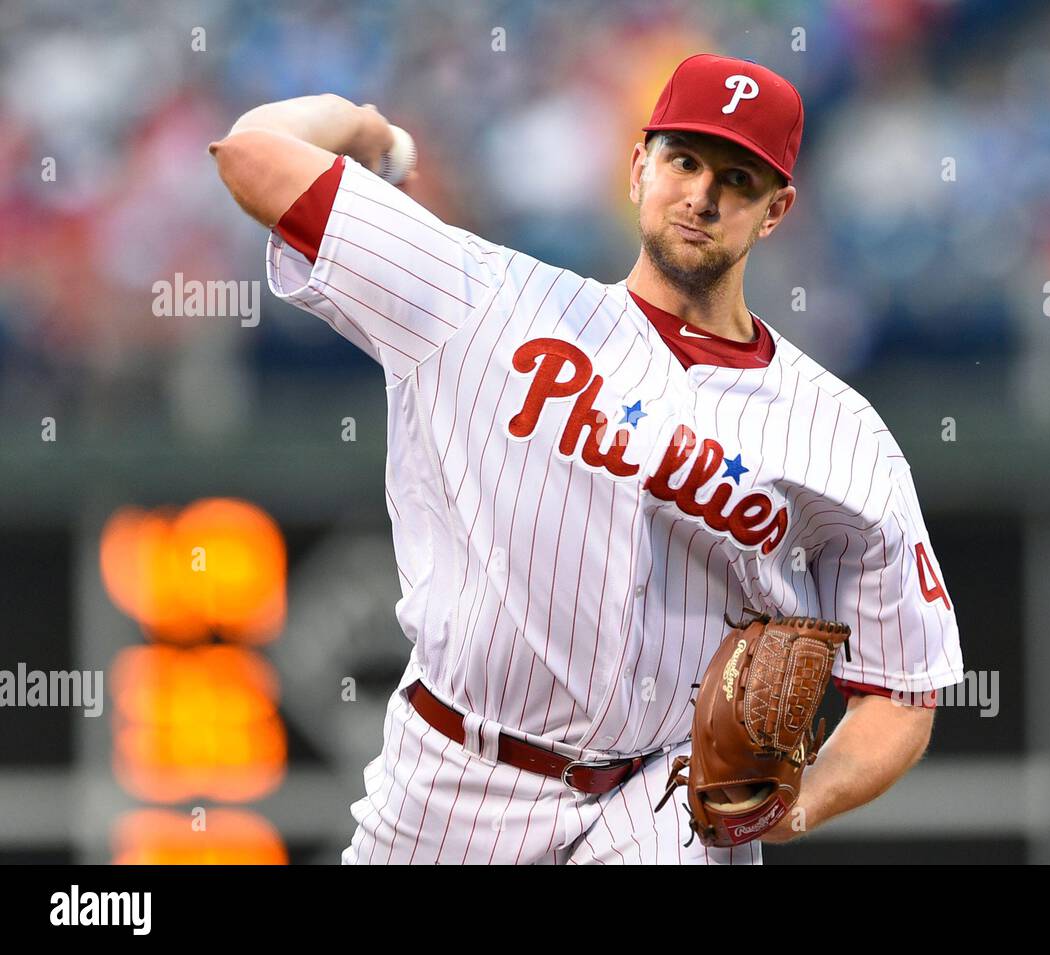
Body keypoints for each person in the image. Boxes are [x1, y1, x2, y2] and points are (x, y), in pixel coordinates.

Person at [209, 52, 964, 864]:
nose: (703, 195)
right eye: (685, 160)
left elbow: (901, 690)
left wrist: (798, 808)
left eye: (738, 180)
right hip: (453, 774)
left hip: (665, 804)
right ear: (638, 166)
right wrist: (361, 125)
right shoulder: (482, 299)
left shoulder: (842, 435)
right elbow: (252, 153)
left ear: (775, 210)